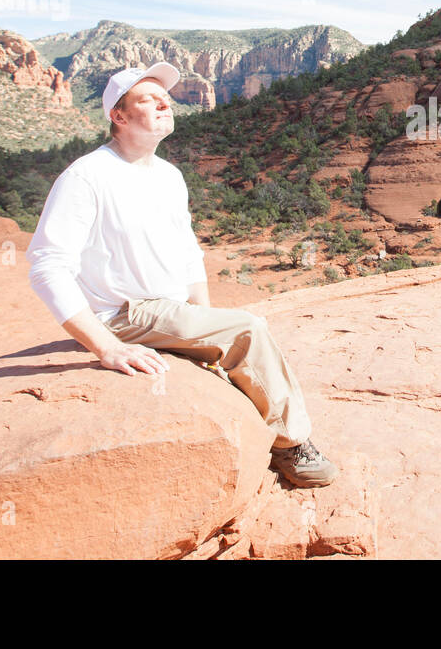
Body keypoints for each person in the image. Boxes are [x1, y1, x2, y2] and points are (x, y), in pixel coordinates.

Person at [26, 61, 337, 488]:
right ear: (118, 116)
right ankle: (290, 443)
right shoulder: (86, 176)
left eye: (165, 99)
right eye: (148, 100)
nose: (163, 105)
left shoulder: (169, 175)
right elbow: (47, 265)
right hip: (125, 314)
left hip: (167, 310)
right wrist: (106, 347)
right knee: (250, 329)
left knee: (231, 332)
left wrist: (206, 327)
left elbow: (188, 253)